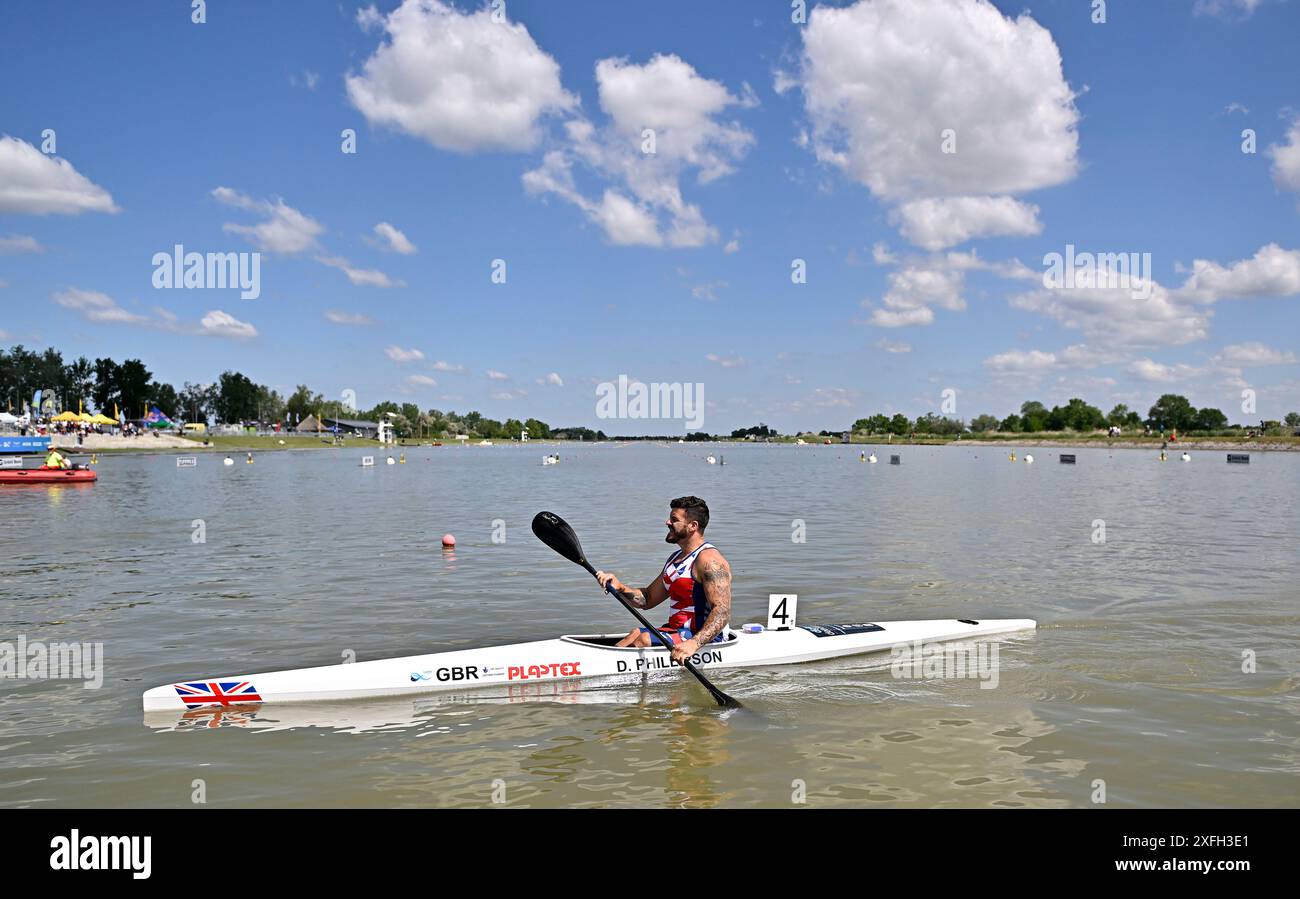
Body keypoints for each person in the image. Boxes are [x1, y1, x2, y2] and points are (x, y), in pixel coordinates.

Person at [596, 496, 733, 665]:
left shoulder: (710, 561)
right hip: (677, 631)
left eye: (674, 519)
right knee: (635, 633)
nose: (667, 522)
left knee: (644, 639)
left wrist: (693, 644)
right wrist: (620, 587)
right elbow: (648, 599)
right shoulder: (675, 558)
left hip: (705, 638)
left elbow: (722, 611)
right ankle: (602, 663)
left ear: (693, 526)